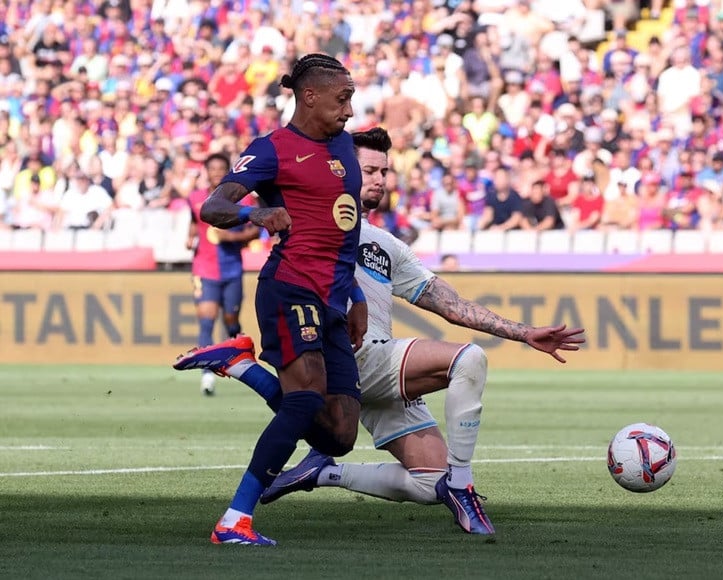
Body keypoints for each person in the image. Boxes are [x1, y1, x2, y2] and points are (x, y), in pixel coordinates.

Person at [175, 127, 585, 538]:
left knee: (427, 484)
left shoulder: (386, 244)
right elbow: (248, 204)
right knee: (469, 359)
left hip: (374, 375)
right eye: (368, 169)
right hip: (351, 354)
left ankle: (322, 471)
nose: (378, 179)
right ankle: (463, 486)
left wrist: (524, 332)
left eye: (383, 172)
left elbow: (453, 305)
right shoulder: (320, 218)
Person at [181, 54, 366, 546]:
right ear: (310, 96)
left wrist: (358, 296)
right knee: (305, 399)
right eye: (342, 99)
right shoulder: (273, 150)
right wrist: (256, 216)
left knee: (339, 435)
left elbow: (345, 228)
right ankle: (234, 520)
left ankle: (242, 366)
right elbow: (213, 206)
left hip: (334, 299)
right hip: (289, 287)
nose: (349, 110)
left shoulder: (345, 145)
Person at [186, 153, 260, 396]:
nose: (217, 172)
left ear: (227, 171)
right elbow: (194, 224)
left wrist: (232, 237)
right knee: (206, 320)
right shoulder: (195, 199)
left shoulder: (243, 199)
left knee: (230, 321)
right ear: (206, 171)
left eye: (221, 168)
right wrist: (190, 238)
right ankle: (207, 375)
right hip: (204, 268)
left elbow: (254, 232)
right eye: (213, 168)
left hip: (231, 268)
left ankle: (236, 361)